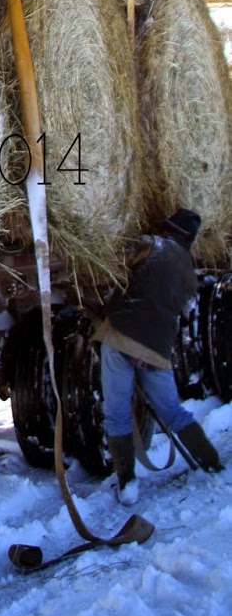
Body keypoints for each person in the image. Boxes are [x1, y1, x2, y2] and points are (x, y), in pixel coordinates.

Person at [96, 208, 223, 505]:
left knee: (117, 414)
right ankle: (211, 462)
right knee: (173, 411)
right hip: (156, 351)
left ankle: (127, 483)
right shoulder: (189, 274)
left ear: (169, 230)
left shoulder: (150, 245)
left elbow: (112, 267)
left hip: (120, 338)